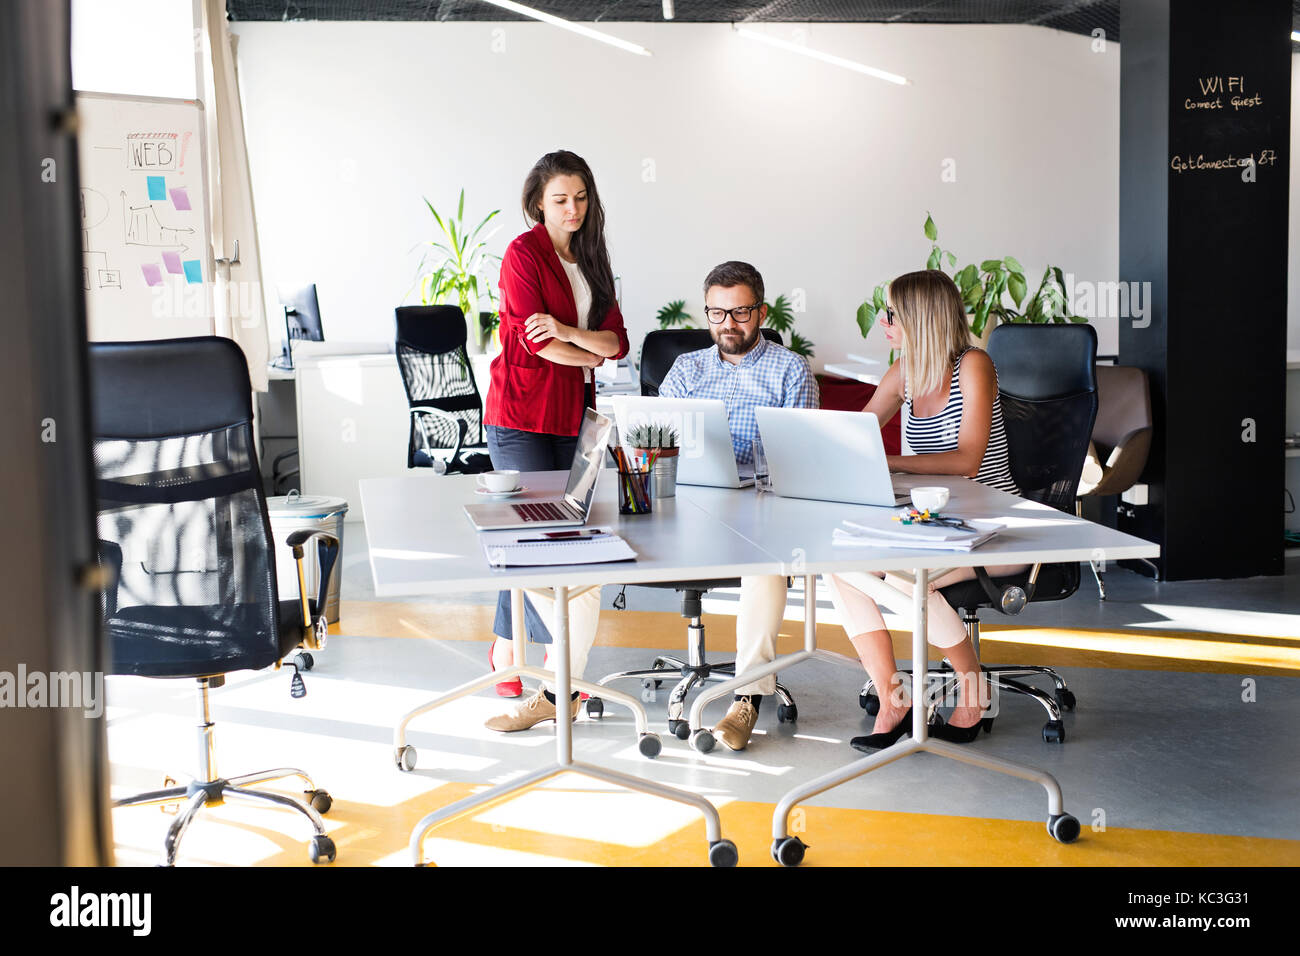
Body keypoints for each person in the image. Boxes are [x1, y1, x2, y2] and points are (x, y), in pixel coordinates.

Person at [823, 269, 1024, 753]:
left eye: (891, 313)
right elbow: (858, 437)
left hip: (997, 531)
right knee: (836, 566)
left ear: (920, 318)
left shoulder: (973, 366)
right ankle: (894, 698)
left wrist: (886, 460)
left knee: (906, 579)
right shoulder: (904, 372)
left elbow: (966, 462)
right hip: (931, 528)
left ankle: (973, 687)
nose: (884, 323)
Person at [480, 150, 629, 731]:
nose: (573, 209)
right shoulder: (523, 254)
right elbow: (535, 345)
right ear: (538, 202)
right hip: (520, 412)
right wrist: (585, 348)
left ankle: (514, 647)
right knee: (524, 534)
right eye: (561, 199)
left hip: (574, 414)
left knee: (566, 532)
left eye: (581, 198)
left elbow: (616, 342)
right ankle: (532, 654)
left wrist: (574, 333)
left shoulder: (593, 256)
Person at [655, 260, 819, 751]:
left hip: (759, 509)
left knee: (767, 563)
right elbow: (654, 439)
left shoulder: (790, 370)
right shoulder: (687, 369)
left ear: (761, 312)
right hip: (688, 508)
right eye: (717, 313)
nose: (729, 323)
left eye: (741, 312)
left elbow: (801, 460)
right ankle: (562, 692)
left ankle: (746, 698)